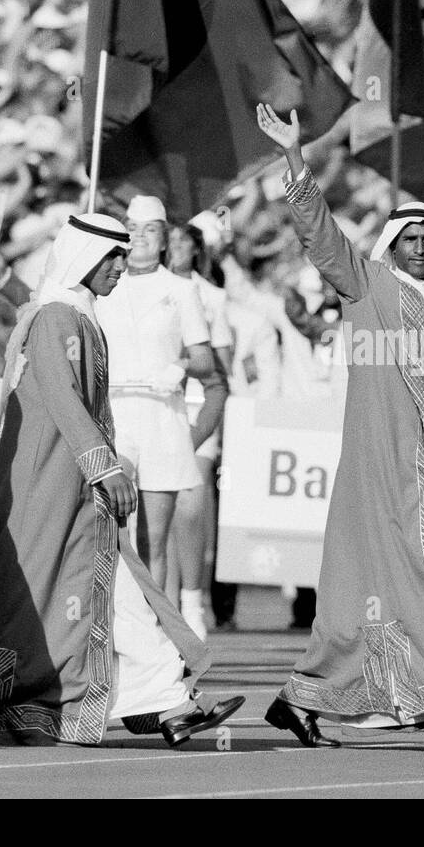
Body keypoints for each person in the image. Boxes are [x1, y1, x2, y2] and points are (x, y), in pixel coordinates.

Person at [255, 103, 424, 748]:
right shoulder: (365, 285)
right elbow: (317, 231)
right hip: (375, 466)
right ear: (392, 246)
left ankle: (303, 696)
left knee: (371, 590)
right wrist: (295, 156)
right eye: (412, 239)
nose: (423, 248)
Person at [0, 212, 243, 746]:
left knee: (120, 590)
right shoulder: (57, 318)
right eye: (111, 257)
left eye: (123, 254)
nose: (121, 266)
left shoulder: (79, 315)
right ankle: (29, 699)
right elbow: (63, 395)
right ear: (85, 260)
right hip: (49, 483)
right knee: (67, 591)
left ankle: (163, 701)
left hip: (79, 484)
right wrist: (106, 465)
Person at [93, 196, 220, 614]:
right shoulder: (104, 284)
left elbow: (205, 360)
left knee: (154, 538)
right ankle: (115, 624)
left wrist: (181, 365)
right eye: (132, 227)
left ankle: (156, 629)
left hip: (161, 414)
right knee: (111, 527)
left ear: (165, 239)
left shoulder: (181, 290)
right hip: (115, 413)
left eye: (150, 229)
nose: (140, 237)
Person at [165, 217, 231, 639]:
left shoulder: (213, 297)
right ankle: (167, 599)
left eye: (180, 243)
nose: (173, 250)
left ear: (195, 250)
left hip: (198, 404)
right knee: (161, 509)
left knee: (191, 499)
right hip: (161, 403)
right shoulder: (146, 289)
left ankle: (195, 596)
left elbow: (222, 362)